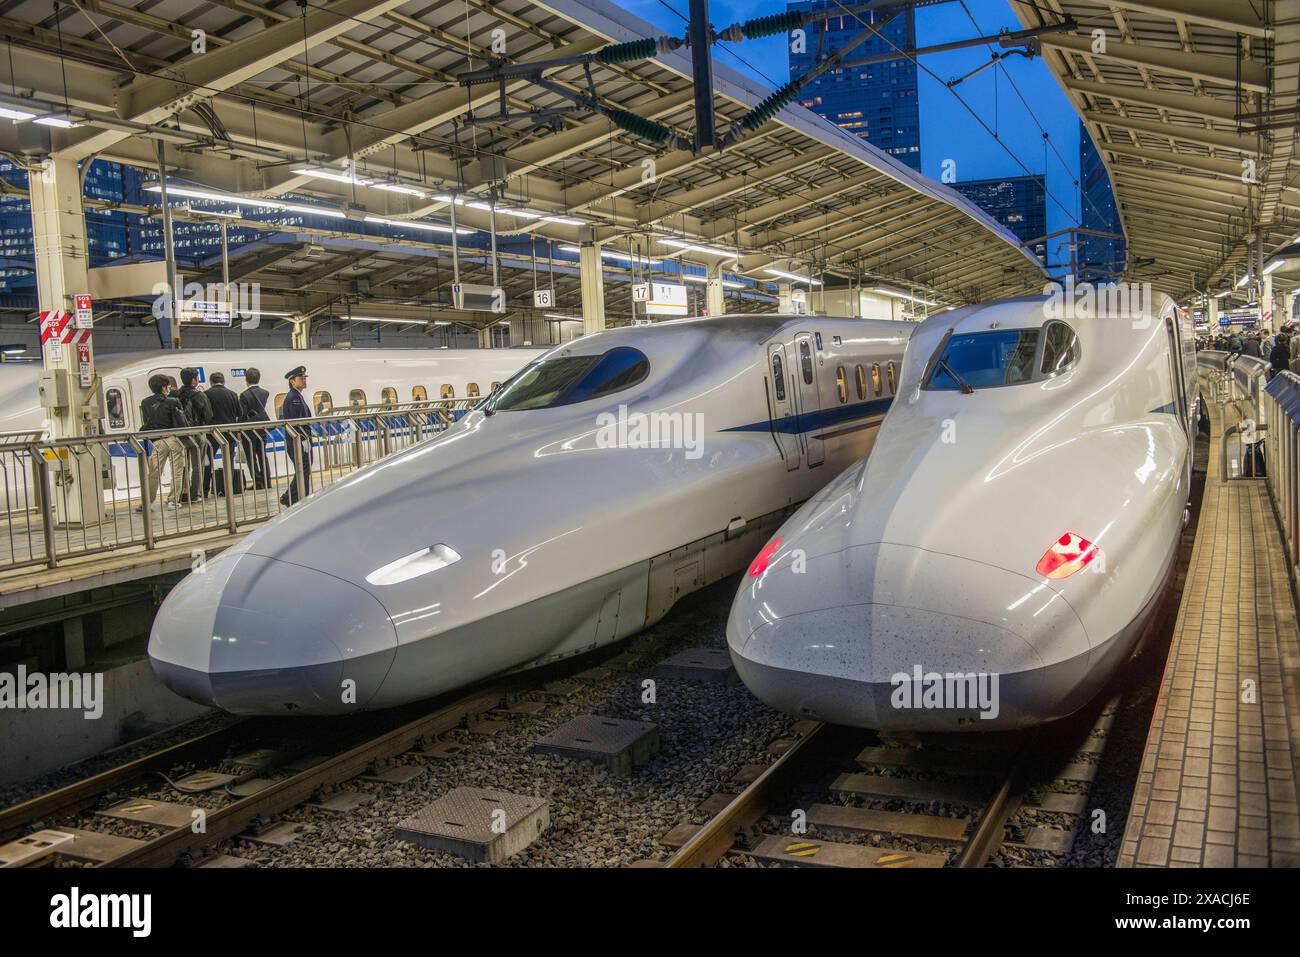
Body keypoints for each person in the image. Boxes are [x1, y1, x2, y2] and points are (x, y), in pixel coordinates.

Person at [137, 374, 188, 510]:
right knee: (177, 471)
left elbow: (147, 421)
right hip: (173, 439)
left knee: (154, 473)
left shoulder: (145, 402)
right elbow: (181, 421)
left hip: (157, 441)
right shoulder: (173, 401)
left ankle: (147, 502)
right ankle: (173, 501)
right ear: (164, 388)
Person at [175, 368, 213, 503]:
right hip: (197, 434)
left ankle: (182, 492)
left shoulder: (175, 395)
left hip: (179, 435)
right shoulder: (199, 395)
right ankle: (195, 494)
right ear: (193, 380)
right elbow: (208, 416)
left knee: (181, 465)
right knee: (198, 465)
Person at [280, 365, 313, 506]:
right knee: (303, 468)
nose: (304, 380)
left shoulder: (296, 395)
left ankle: (294, 496)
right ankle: (294, 497)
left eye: (305, 378)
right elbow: (296, 422)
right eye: (301, 378)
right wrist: (304, 439)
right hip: (298, 441)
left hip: (299, 440)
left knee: (303, 468)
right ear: (292, 381)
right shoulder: (294, 398)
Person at [206, 372, 243, 494]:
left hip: (212, 433)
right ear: (224, 381)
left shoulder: (206, 394)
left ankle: (205, 489)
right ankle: (229, 488)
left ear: (211, 382)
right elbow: (240, 413)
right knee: (228, 460)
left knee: (208, 461)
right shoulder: (233, 394)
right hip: (229, 433)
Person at [238, 367, 271, 489]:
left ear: (246, 380)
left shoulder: (244, 395)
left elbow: (242, 415)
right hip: (261, 429)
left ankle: (258, 482)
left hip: (249, 430)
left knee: (251, 457)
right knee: (262, 455)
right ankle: (267, 481)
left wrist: (239, 430)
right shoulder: (265, 393)